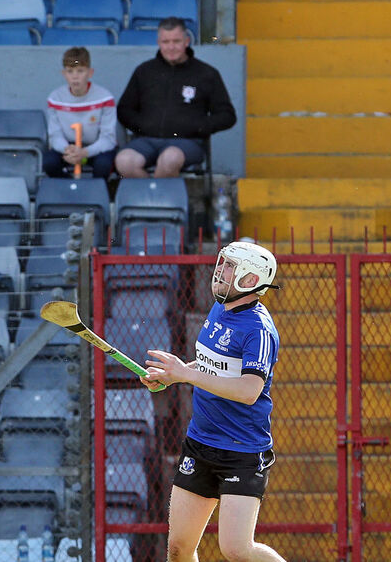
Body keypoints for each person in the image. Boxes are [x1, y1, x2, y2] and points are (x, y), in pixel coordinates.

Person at [140, 241, 284, 562]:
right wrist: (174, 374)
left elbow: (249, 390)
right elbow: (211, 365)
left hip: (242, 451)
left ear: (250, 279)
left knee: (236, 550)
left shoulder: (259, 330)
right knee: (179, 549)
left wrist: (186, 375)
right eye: (222, 263)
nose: (219, 270)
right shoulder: (220, 308)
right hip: (200, 443)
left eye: (229, 267)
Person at [116, 17, 236, 179]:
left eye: (176, 41)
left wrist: (198, 127)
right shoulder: (144, 71)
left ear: (186, 41)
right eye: (166, 42)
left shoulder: (206, 74)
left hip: (187, 143)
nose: (171, 47)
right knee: (124, 161)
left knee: (169, 159)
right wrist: (142, 126)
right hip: (146, 141)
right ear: (158, 42)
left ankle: (157, 201)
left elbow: (227, 116)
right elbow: (124, 109)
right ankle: (154, 199)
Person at [44, 47, 118, 180]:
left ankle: (97, 194)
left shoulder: (105, 97)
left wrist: (85, 152)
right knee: (49, 162)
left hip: (95, 148)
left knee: (103, 165)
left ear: (90, 73)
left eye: (80, 71)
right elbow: (55, 135)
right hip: (69, 148)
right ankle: (69, 189)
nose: (75, 76)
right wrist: (68, 150)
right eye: (70, 71)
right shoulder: (55, 98)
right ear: (63, 73)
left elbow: (108, 138)